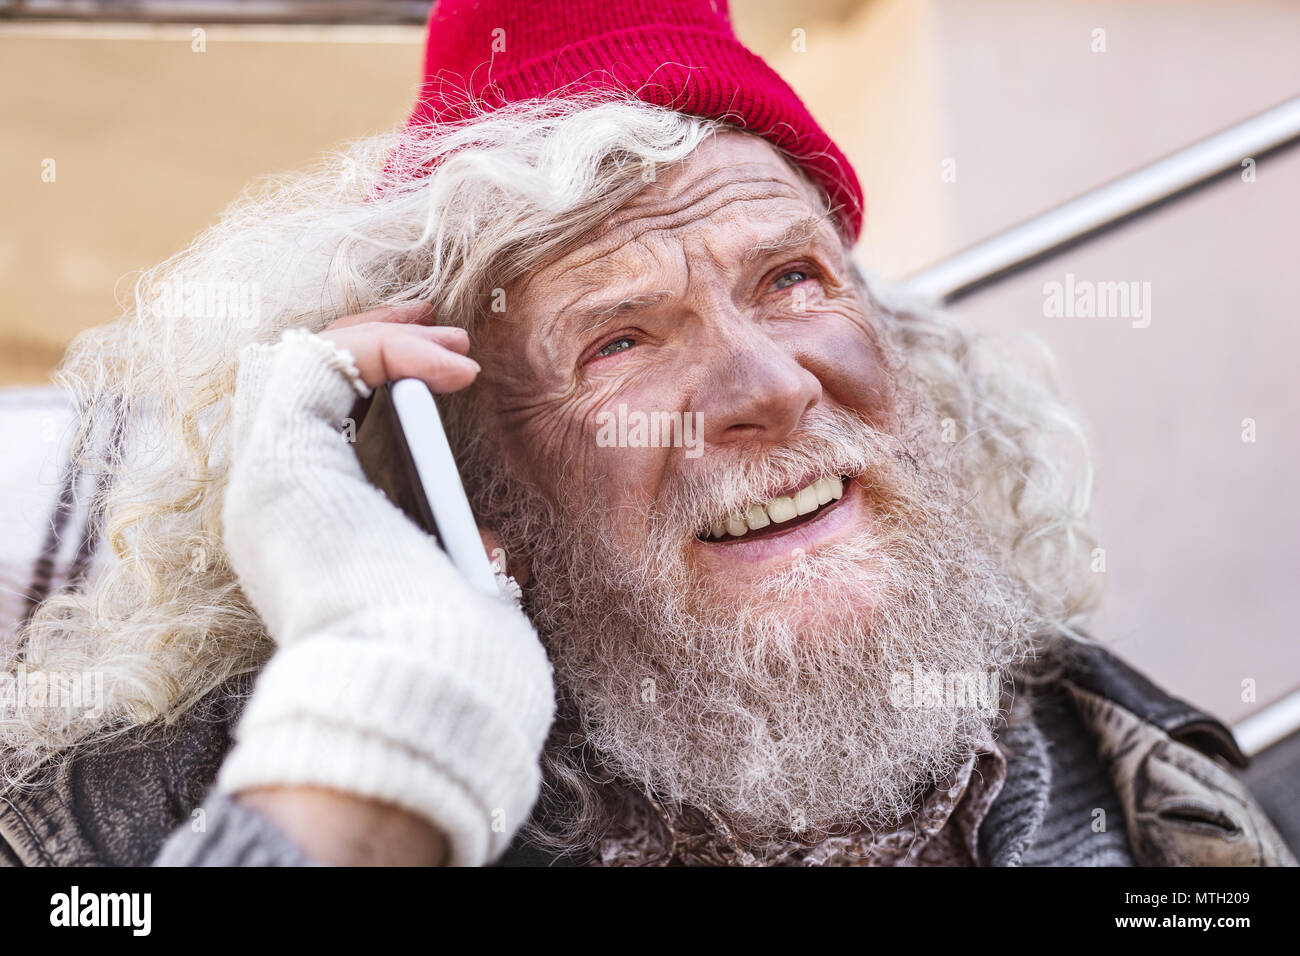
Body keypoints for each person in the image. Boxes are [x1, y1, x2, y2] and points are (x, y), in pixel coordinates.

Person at [0, 0, 1292, 867]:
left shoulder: (1154, 793)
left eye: (792, 278)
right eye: (621, 338)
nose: (771, 387)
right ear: (471, 483)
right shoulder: (156, 819)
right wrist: (390, 716)